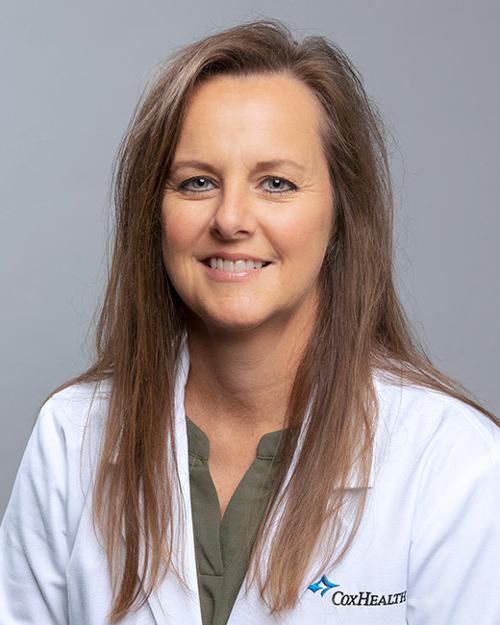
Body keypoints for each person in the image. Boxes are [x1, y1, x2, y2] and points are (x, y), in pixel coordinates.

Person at [0, 17, 499, 625]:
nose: (231, 218)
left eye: (276, 183)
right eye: (198, 182)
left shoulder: (453, 462)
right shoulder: (73, 436)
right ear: (152, 212)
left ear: (343, 212)